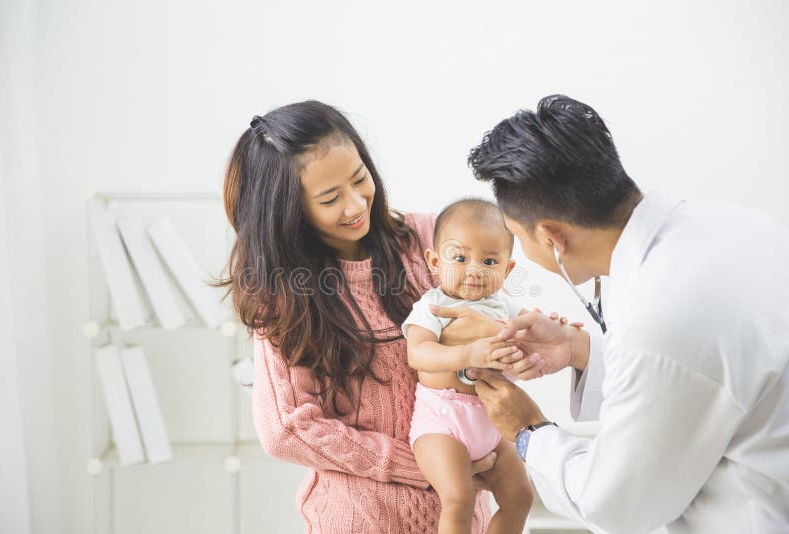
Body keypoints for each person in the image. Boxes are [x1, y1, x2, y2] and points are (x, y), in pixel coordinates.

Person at [436, 94, 789, 533]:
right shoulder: (744, 226)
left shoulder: (661, 319)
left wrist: (529, 432)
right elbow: (705, 378)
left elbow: (617, 507)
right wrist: (579, 349)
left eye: (514, 238)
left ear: (551, 238)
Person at [218, 100, 498, 533]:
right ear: (287, 210)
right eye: (330, 198)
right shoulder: (283, 295)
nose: (355, 205)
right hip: (361, 521)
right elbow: (286, 428)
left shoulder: (429, 240)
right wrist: (428, 467)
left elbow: (494, 300)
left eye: (359, 179)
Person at [402, 199, 533, 533]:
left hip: (491, 424)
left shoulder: (505, 306)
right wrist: (468, 354)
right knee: (459, 498)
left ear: (507, 269)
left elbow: (531, 337)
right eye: (460, 258)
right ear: (434, 261)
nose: (474, 270)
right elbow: (418, 354)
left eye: (489, 261)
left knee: (520, 497)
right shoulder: (432, 306)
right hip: (441, 424)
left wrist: (555, 328)